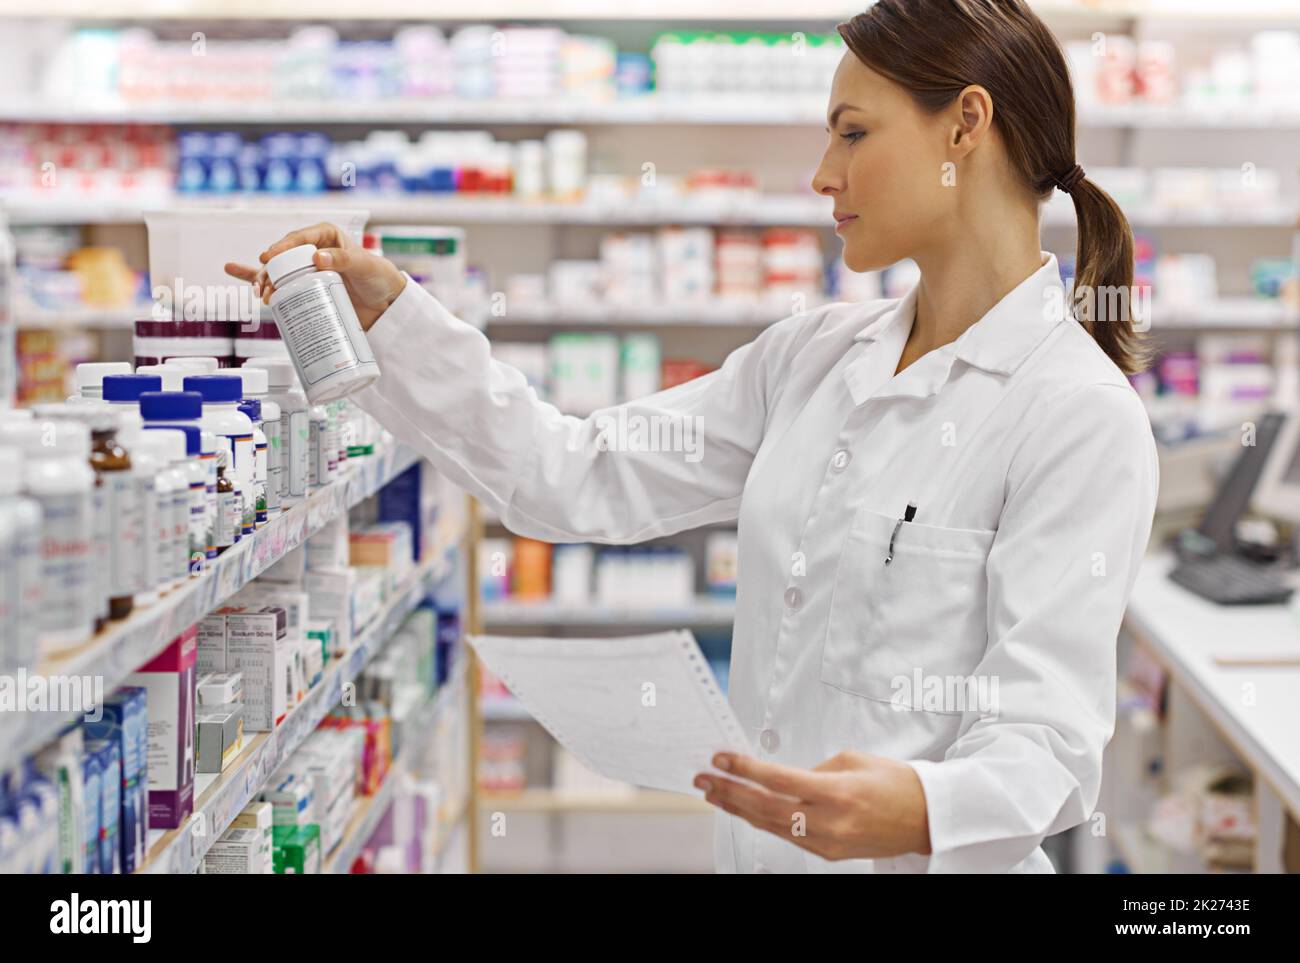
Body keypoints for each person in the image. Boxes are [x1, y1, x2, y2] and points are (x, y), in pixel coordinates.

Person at [228, 0, 1158, 873]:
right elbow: (568, 473)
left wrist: (917, 805)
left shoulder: (1075, 413)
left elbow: (1049, 740)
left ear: (965, 126)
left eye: (853, 131)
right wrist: (394, 316)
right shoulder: (813, 358)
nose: (823, 174)